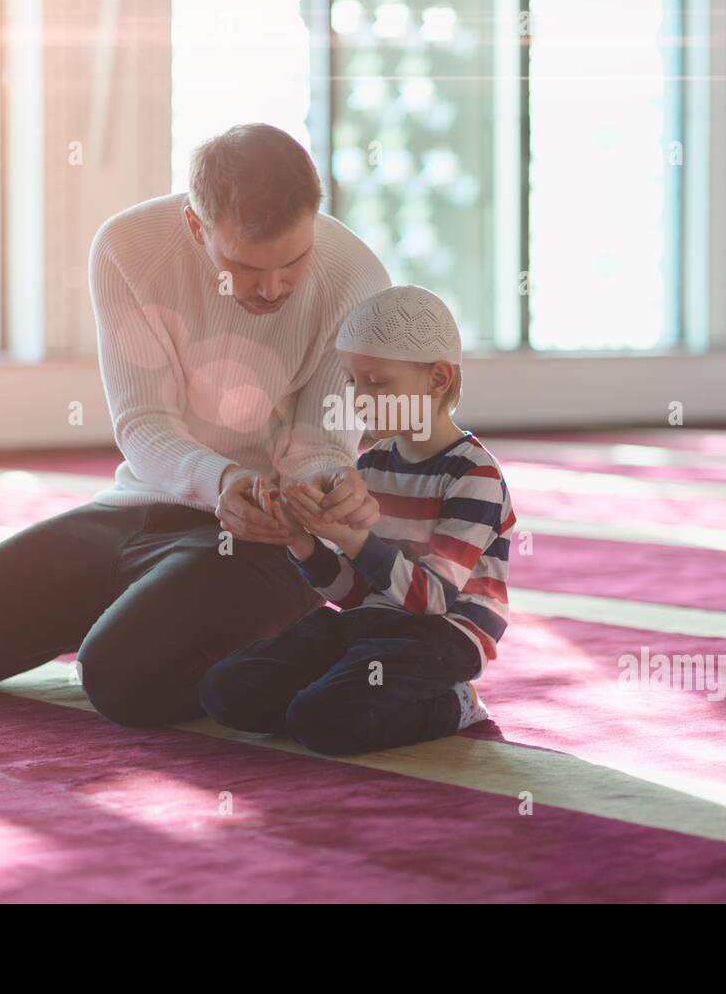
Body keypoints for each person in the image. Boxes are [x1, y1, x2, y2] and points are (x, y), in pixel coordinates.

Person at [0, 123, 391, 727]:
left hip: (268, 539)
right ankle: (155, 611)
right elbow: (143, 423)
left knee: (121, 679)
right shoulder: (128, 249)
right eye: (243, 266)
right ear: (195, 225)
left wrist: (331, 486)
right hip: (141, 506)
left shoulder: (356, 278)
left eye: (292, 262)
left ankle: (293, 632)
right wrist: (223, 483)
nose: (271, 288)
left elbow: (318, 443)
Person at [198, 286, 515, 755]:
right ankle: (330, 693)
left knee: (323, 721)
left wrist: (352, 538)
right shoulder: (372, 464)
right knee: (226, 691)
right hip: (373, 622)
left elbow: (430, 601)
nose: (360, 399)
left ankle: (454, 703)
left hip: (441, 636)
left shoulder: (474, 476)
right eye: (352, 382)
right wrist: (302, 541)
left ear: (438, 378)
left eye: (377, 382)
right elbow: (354, 595)